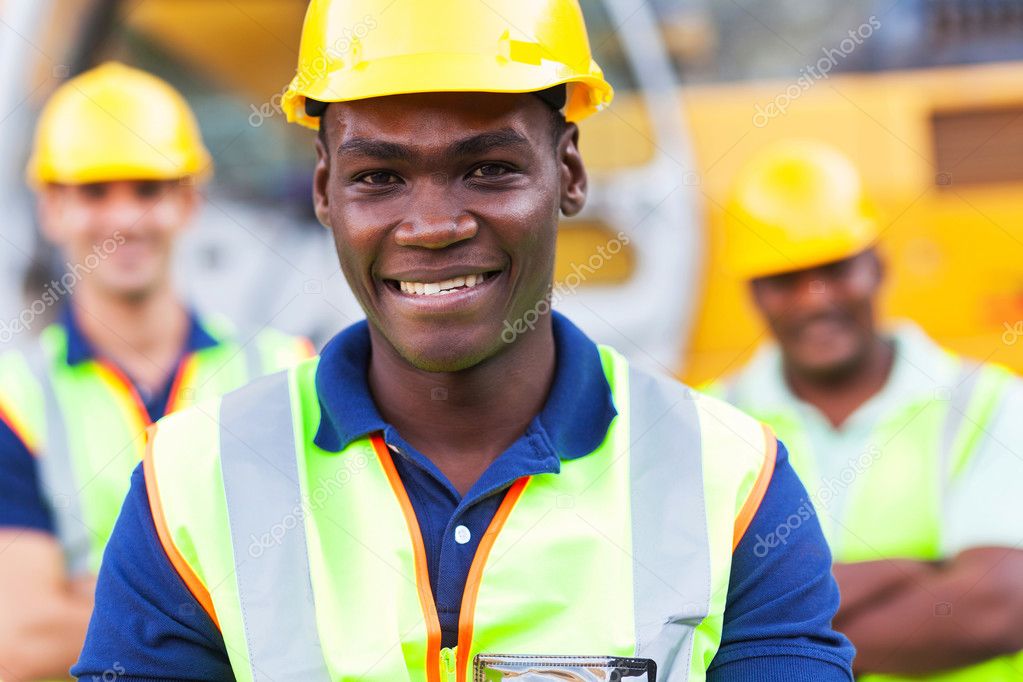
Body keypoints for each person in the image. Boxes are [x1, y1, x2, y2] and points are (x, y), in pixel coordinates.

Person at [73, 4, 854, 680]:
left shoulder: (733, 483)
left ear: (569, 172)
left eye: (487, 168)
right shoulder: (190, 485)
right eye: (379, 177)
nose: (433, 225)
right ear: (323, 191)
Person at [0, 62, 313, 680]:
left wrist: (102, 598)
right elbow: (21, 642)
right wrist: (232, 588)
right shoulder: (14, 399)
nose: (124, 219)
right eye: (95, 192)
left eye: (148, 189)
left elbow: (333, 596)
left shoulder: (290, 371)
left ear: (188, 201)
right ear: (52, 209)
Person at [709, 139, 1023, 680]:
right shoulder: (709, 421)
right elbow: (679, 614)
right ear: (754, 293)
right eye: (786, 279)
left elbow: (997, 609)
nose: (815, 298)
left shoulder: (990, 404)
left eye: (835, 269)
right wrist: (913, 570)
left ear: (878, 266)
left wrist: (768, 628)